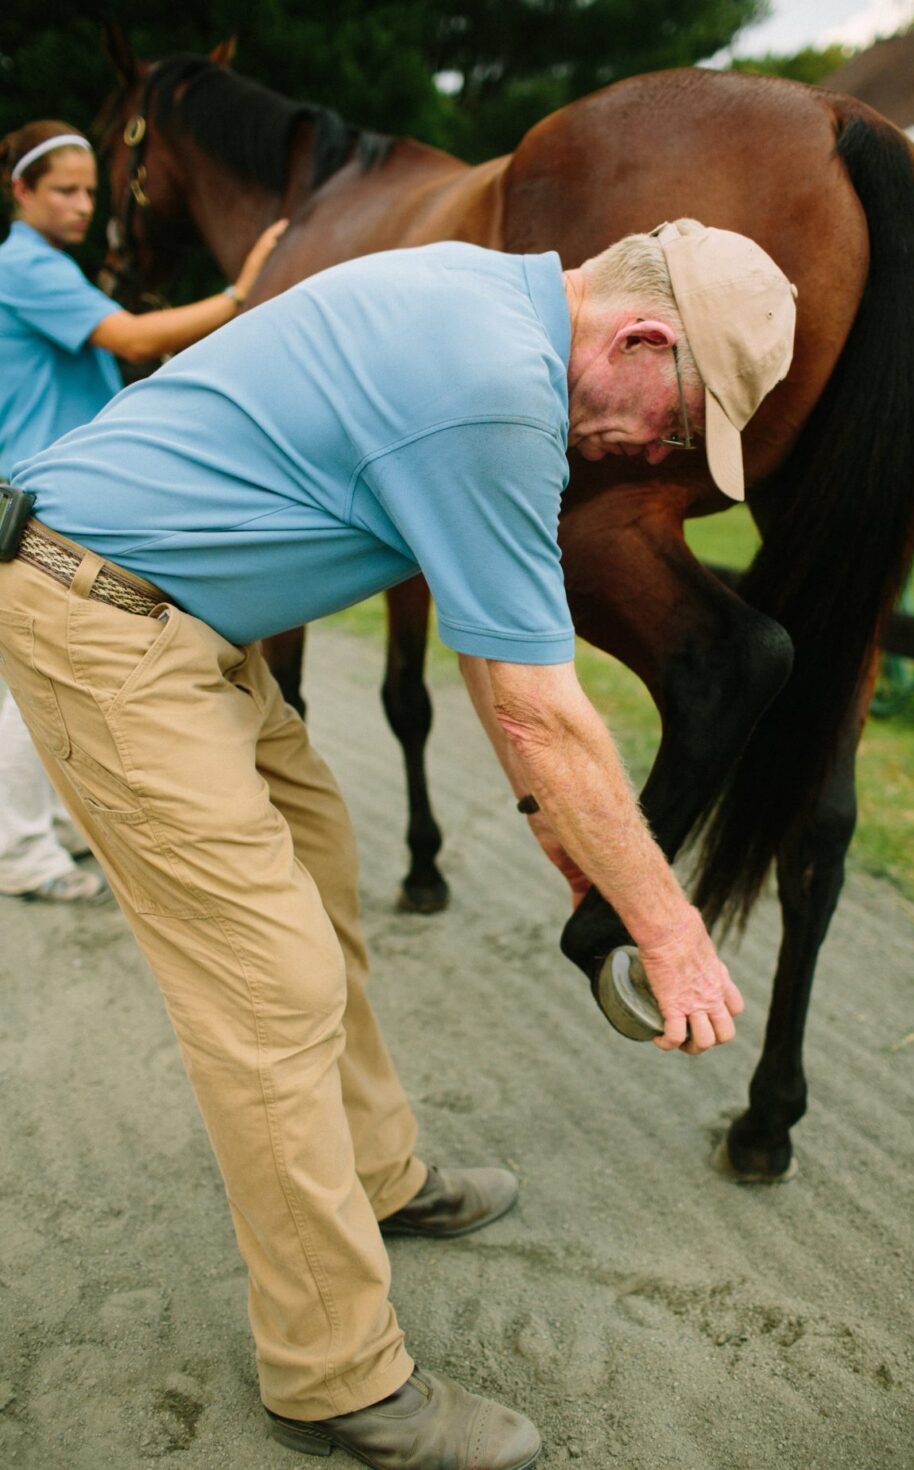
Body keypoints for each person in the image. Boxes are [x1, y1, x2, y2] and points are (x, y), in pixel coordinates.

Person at [0, 219, 796, 1469]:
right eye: (681, 419)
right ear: (644, 338)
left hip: (189, 622)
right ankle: (333, 1378)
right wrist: (672, 930)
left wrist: (554, 820)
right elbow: (545, 707)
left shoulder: (493, 311)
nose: (661, 452)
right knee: (270, 987)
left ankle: (379, 1175)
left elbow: (497, 648)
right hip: (105, 618)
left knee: (319, 884)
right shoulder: (492, 390)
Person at [0, 119, 285, 902]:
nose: (82, 206)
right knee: (31, 685)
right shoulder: (26, 267)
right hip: (32, 496)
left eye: (91, 190)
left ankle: (37, 830)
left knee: (36, 677)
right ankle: (19, 853)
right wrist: (238, 292)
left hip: (43, 494)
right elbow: (130, 335)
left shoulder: (51, 269)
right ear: (20, 192)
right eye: (63, 190)